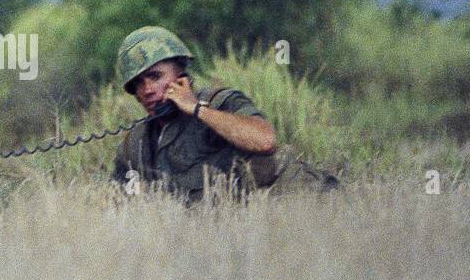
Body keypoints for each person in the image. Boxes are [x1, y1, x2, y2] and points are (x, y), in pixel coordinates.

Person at [111, 26, 338, 203]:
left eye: (156, 76)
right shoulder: (136, 145)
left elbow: (265, 140)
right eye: (137, 84)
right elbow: (120, 206)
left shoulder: (218, 102)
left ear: (181, 74)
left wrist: (197, 109)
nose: (147, 89)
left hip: (307, 202)